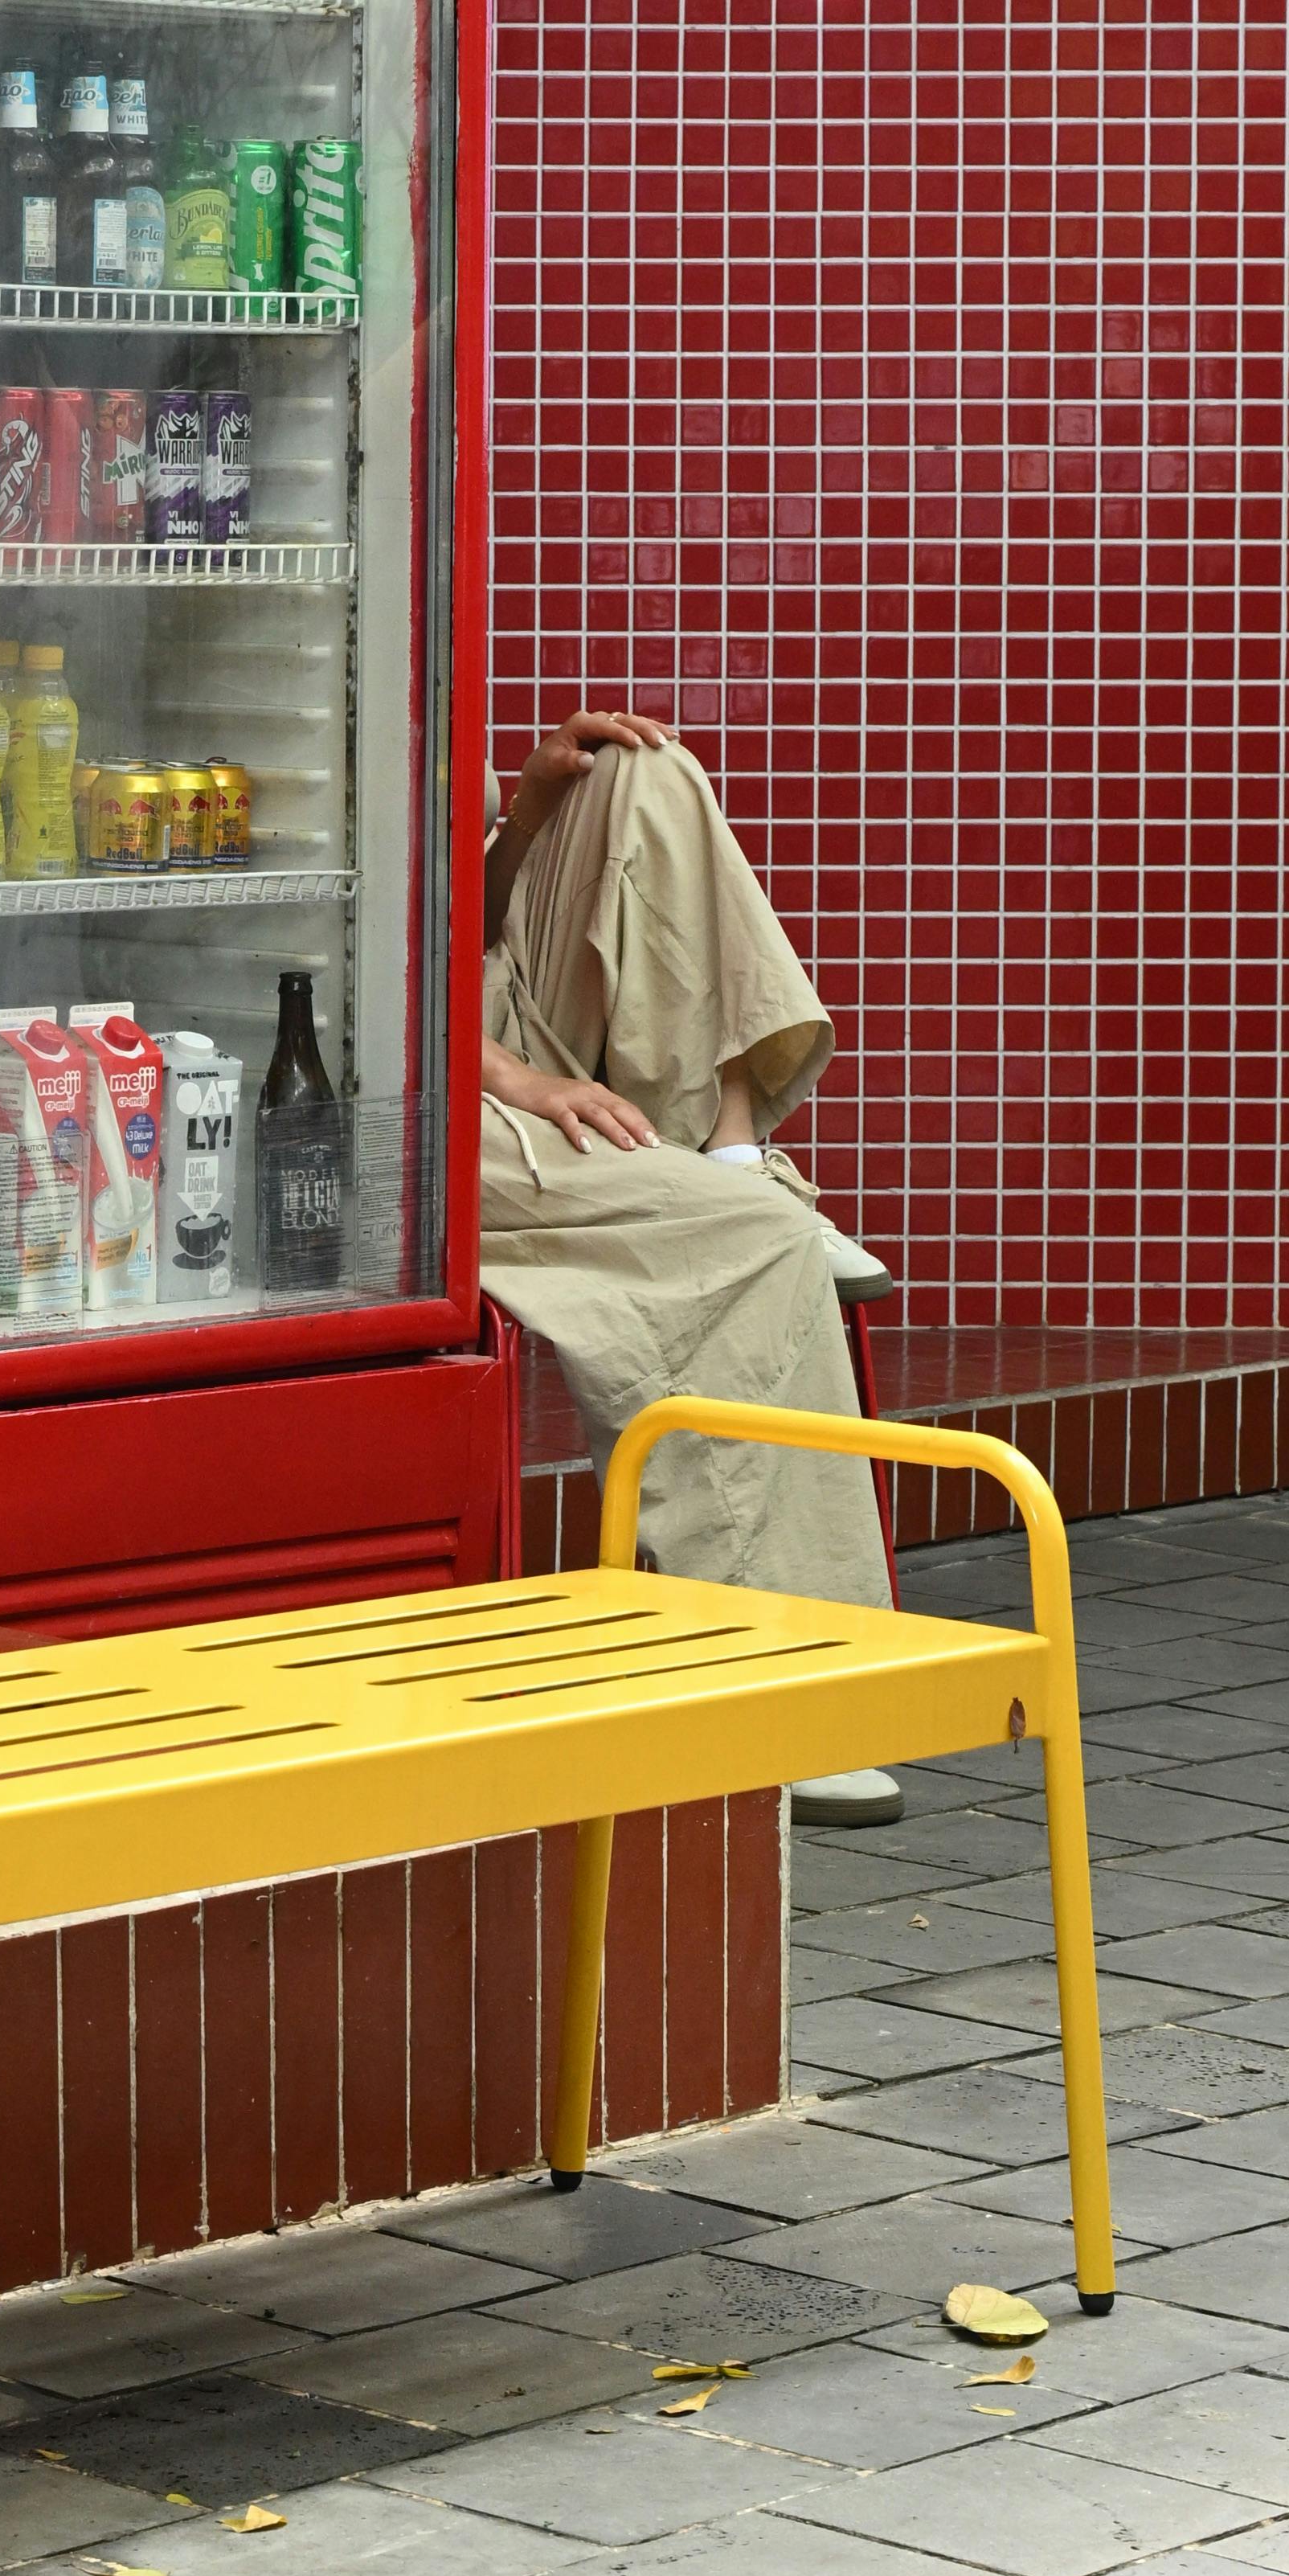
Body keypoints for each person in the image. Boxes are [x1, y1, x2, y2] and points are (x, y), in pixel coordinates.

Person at [479, 705, 903, 1819]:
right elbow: (313, 963)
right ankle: (773, 1689)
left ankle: (732, 1149)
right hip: (396, 1081)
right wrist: (511, 1081)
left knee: (645, 770)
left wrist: (531, 802)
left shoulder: (395, 655)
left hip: (493, 1007)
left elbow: (451, 922)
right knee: (754, 1248)